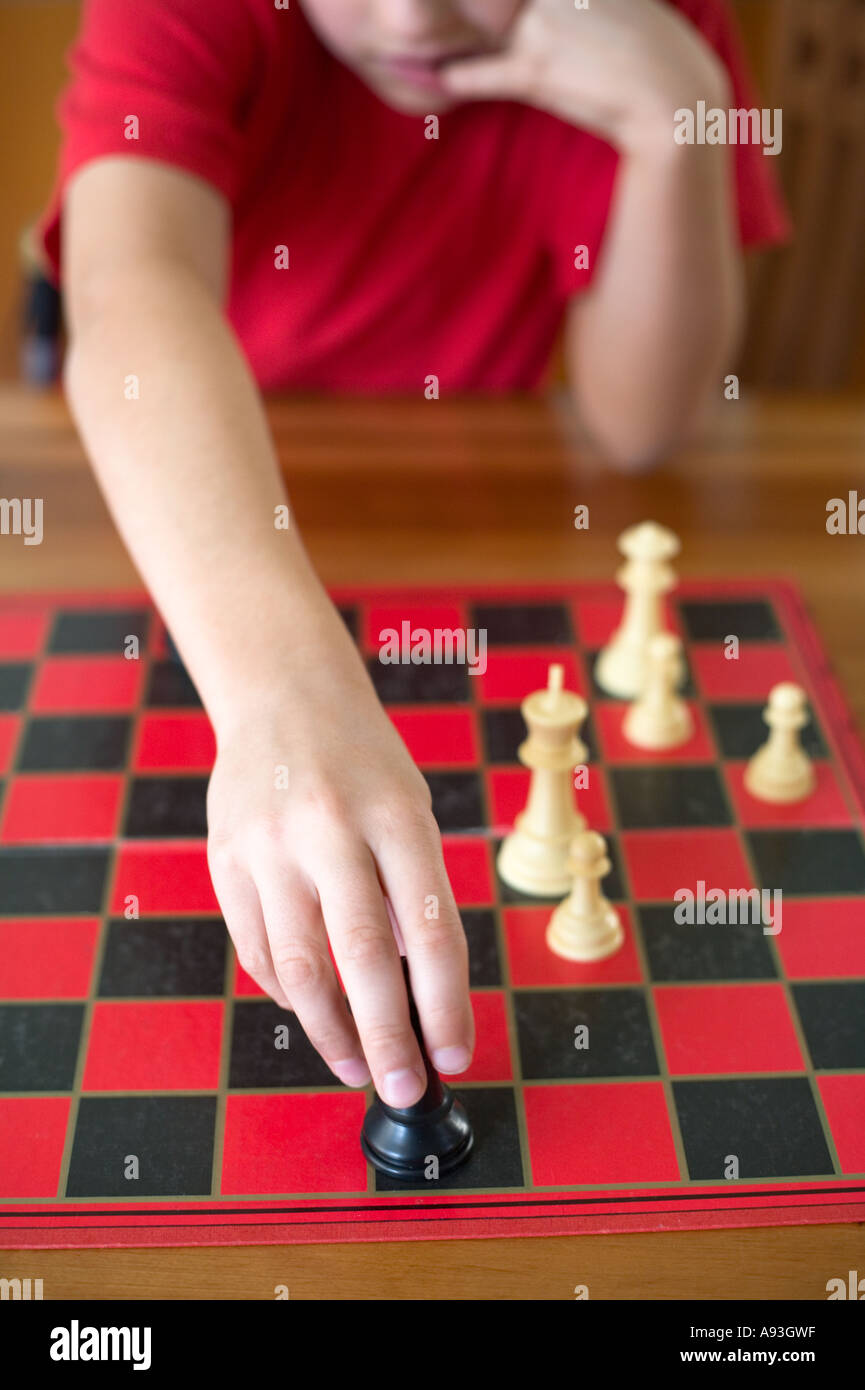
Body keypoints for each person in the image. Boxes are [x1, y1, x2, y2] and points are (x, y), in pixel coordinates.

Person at [39, 0, 786, 1110]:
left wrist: (682, 120)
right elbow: (122, 293)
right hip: (188, 528)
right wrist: (284, 684)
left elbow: (640, 424)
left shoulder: (655, 21)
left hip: (489, 530)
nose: (408, 15)